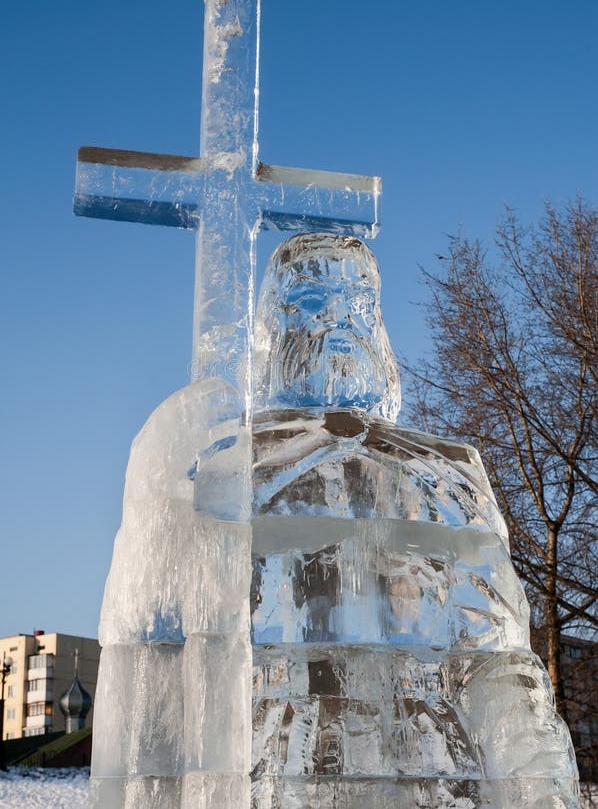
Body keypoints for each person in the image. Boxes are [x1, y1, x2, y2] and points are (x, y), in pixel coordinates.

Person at [90, 233, 579, 808]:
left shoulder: (447, 473)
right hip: (273, 771)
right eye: (312, 300)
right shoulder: (231, 470)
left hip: (427, 773)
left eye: (359, 301)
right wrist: (156, 502)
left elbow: (496, 658)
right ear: (273, 331)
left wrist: (537, 782)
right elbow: (163, 651)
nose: (340, 317)